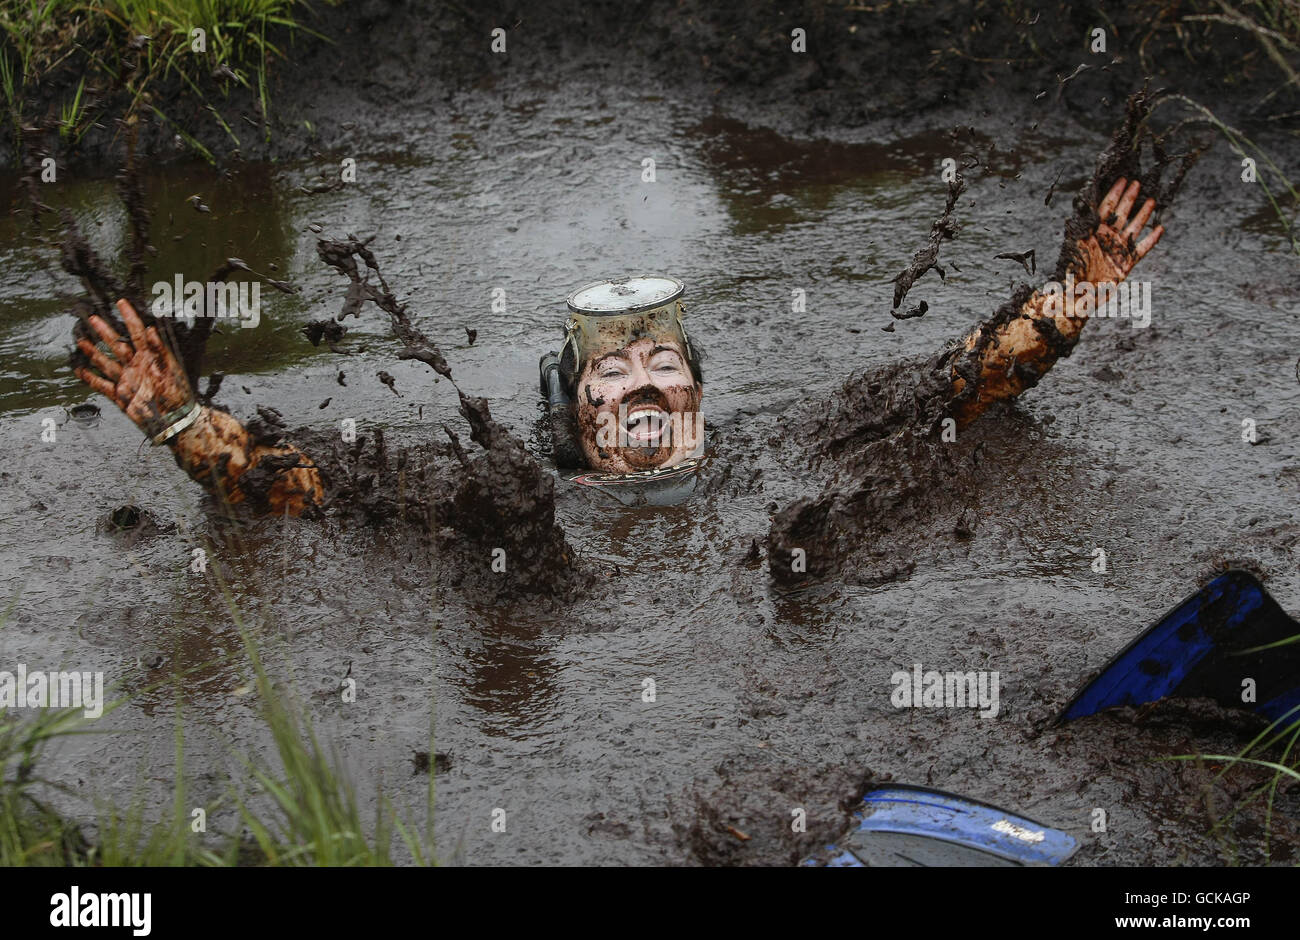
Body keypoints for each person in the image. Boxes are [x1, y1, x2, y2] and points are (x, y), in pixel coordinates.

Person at [72, 177, 1163, 522]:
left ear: (699, 391)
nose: (642, 378)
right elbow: (310, 488)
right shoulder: (505, 493)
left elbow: (957, 387)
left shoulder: (781, 457)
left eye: (661, 363)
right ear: (569, 413)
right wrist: (181, 419)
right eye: (611, 367)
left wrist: (1072, 297)